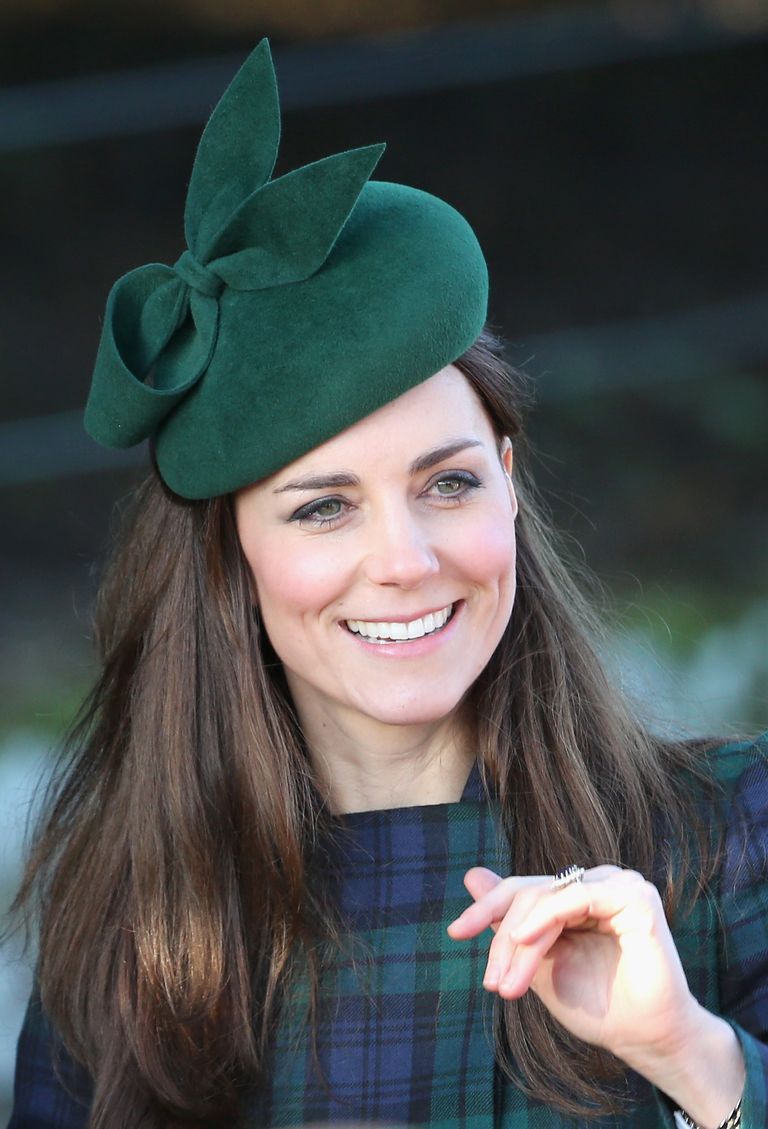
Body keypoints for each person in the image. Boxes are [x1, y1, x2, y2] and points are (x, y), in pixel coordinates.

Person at [6, 38, 768, 1129]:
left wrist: (695, 1059)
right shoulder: (133, 931)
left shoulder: (732, 839)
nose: (406, 560)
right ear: (230, 553)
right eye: (323, 506)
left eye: (446, 483)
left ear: (508, 483)